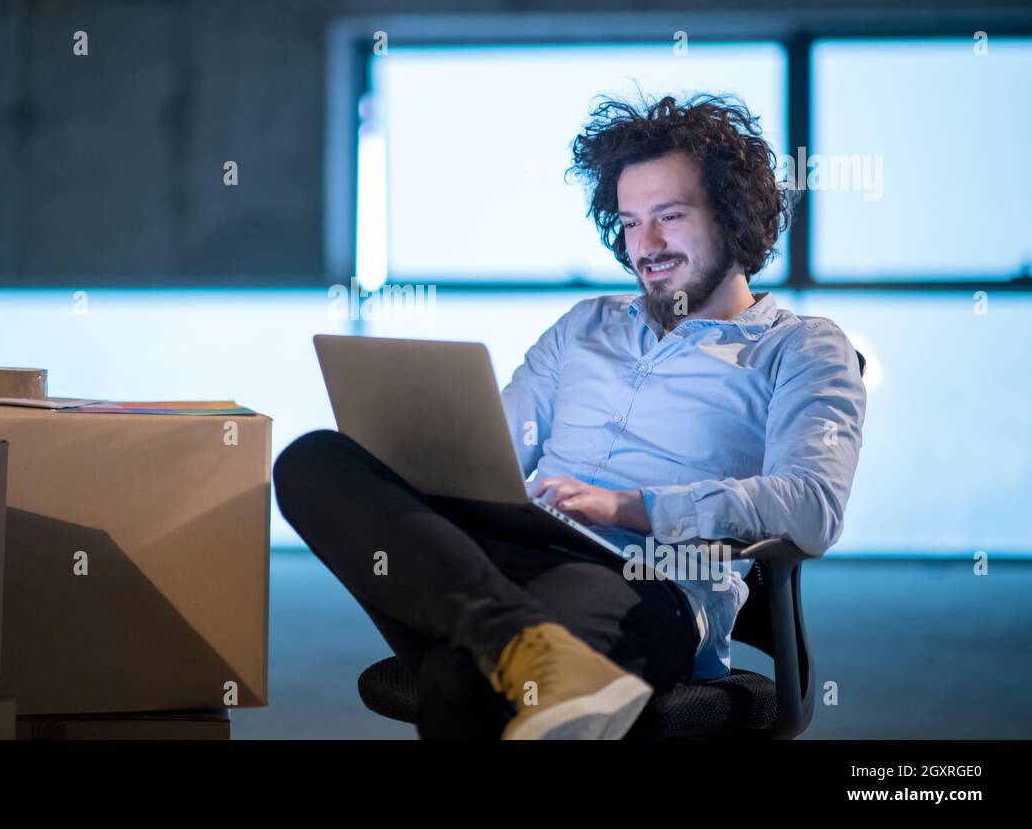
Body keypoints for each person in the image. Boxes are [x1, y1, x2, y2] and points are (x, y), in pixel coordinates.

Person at [273, 92, 867, 739]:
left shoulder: (800, 348)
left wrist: (627, 507)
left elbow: (811, 506)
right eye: (632, 221)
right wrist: (411, 464)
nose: (649, 243)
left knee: (460, 682)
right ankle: (523, 646)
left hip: (645, 583)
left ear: (734, 216)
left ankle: (517, 651)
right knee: (311, 461)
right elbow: (488, 457)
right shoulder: (586, 327)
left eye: (670, 215)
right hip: (505, 559)